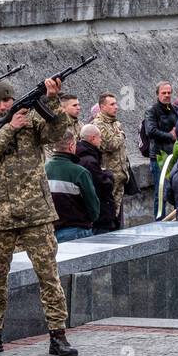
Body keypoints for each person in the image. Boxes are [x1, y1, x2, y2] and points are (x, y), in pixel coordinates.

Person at [0, 79, 79, 356]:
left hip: (35, 212)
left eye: (8, 100)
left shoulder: (31, 120)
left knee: (48, 276)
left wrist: (52, 101)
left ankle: (58, 334)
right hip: (1, 215)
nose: (5, 105)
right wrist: (10, 127)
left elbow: (57, 132)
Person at [46, 128, 101, 244]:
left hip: (50, 232)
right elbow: (93, 207)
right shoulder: (79, 172)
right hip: (77, 230)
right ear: (71, 146)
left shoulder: (43, 169)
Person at [93, 92, 130, 229]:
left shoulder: (115, 123)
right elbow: (111, 145)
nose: (116, 107)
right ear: (102, 107)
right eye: (112, 104)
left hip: (120, 176)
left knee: (118, 214)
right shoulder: (99, 124)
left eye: (116, 103)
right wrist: (121, 135)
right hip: (109, 176)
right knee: (110, 214)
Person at [77, 124, 117, 231]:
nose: (101, 140)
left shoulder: (82, 155)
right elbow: (103, 185)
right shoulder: (89, 160)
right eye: (100, 137)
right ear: (93, 138)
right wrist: (109, 175)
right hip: (99, 215)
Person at [145, 81, 178, 177]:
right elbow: (150, 131)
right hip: (159, 156)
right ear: (157, 94)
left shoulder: (175, 109)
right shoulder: (152, 110)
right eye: (164, 93)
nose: (167, 95)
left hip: (174, 154)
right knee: (160, 189)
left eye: (169, 92)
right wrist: (170, 136)